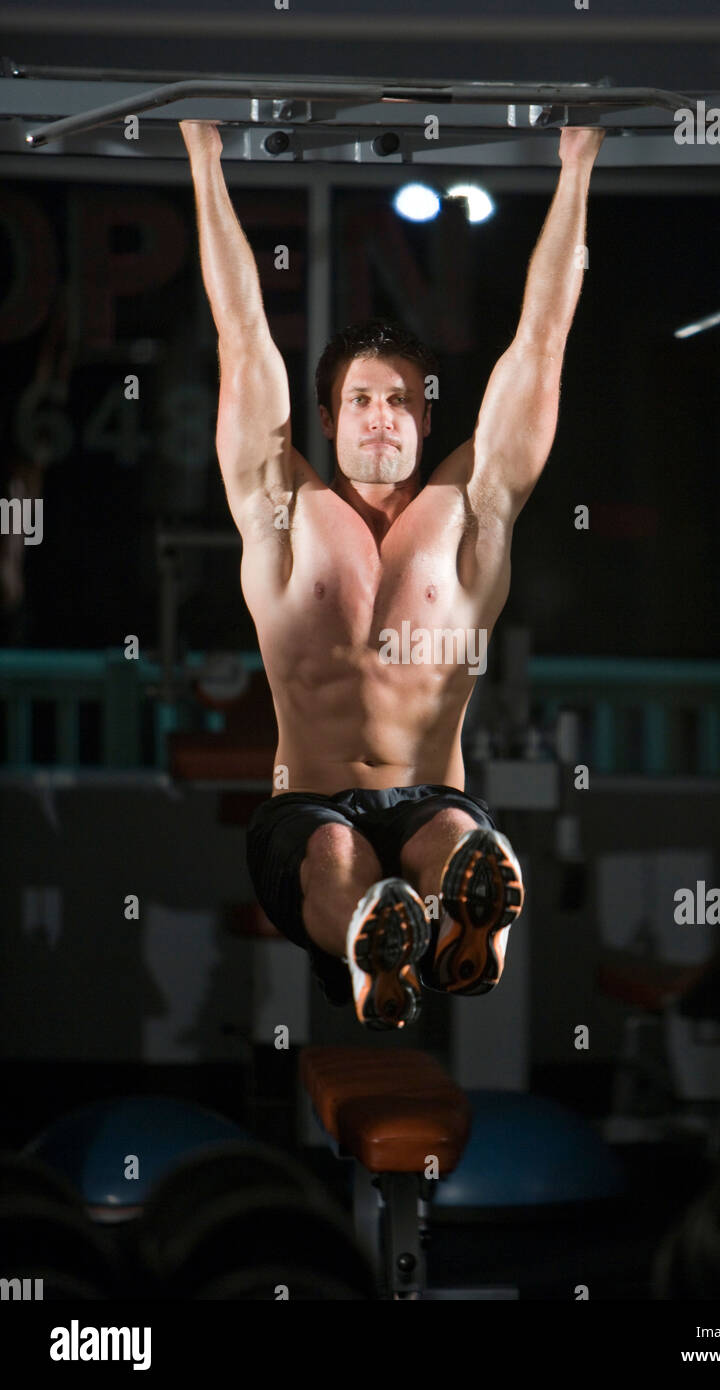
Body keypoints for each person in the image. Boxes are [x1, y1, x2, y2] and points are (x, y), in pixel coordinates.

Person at [180, 118, 604, 1028]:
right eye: (362, 401)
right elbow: (242, 334)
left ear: (424, 417)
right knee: (335, 856)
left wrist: (577, 164)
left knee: (461, 838)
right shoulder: (281, 515)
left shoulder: (470, 517)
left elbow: (542, 342)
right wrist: (202, 156)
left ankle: (455, 927)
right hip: (308, 808)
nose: (383, 417)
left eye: (403, 401)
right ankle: (377, 939)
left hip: (431, 796)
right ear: (327, 420)